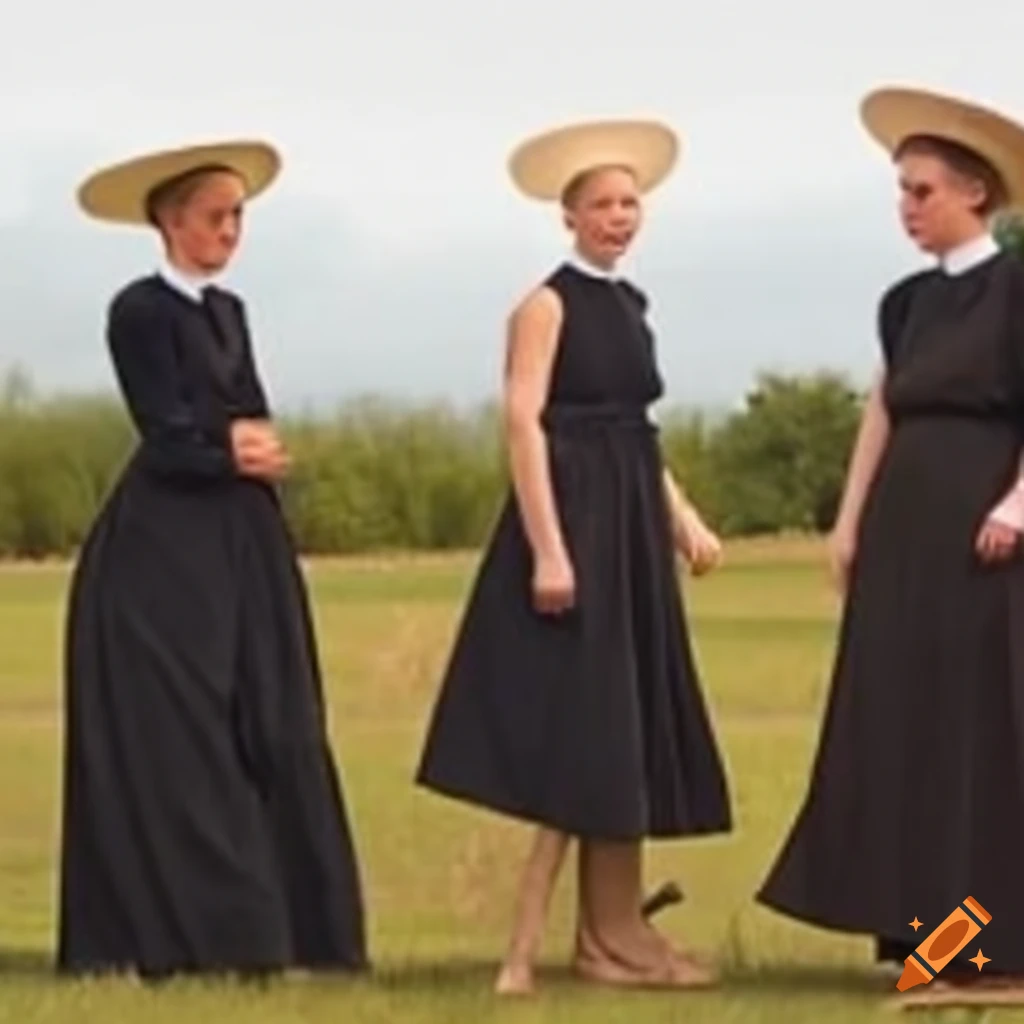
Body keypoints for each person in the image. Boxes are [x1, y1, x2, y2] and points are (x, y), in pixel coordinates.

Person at [415, 119, 732, 995]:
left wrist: (684, 522)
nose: (620, 217)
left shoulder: (630, 306)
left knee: (626, 725)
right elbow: (523, 424)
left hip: (630, 526)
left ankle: (617, 936)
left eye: (632, 203)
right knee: (586, 727)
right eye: (602, 204)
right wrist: (550, 550)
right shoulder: (543, 306)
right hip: (575, 525)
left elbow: (636, 431)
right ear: (569, 216)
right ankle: (605, 942)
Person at [57, 141, 368, 979]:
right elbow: (165, 433)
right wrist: (231, 452)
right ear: (169, 220)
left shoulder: (230, 311)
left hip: (242, 536)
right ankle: (203, 936)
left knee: (280, 720)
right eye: (215, 216)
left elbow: (243, 410)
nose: (230, 231)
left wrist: (252, 453)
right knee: (181, 733)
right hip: (163, 551)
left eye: (238, 217)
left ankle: (303, 933)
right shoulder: (140, 310)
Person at [756, 86, 1024, 1007]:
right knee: (907, 730)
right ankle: (932, 940)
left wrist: (1021, 503)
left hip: (987, 537)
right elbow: (884, 406)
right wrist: (848, 519)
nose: (906, 208)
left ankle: (991, 945)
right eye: (901, 192)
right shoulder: (904, 302)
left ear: (975, 194)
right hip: (905, 541)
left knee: (981, 736)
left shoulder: (1017, 287)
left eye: (921, 191)